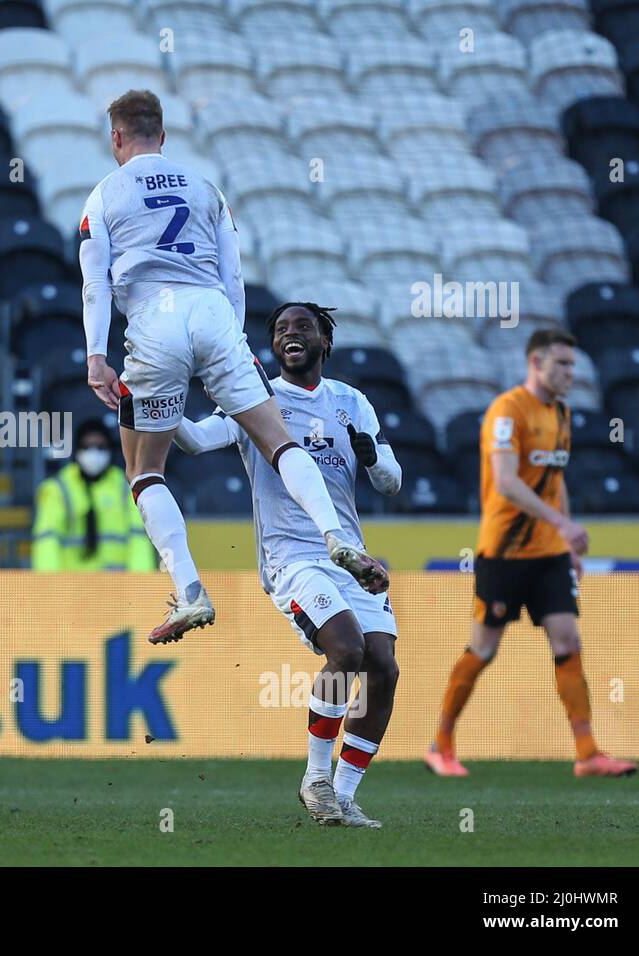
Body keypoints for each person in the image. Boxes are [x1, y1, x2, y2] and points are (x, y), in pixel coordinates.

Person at [78, 88, 387, 644]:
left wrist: (97, 356)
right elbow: (234, 274)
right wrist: (237, 343)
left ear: (116, 137)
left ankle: (190, 590)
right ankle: (337, 537)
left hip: (154, 318)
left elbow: (94, 283)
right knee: (279, 441)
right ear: (164, 137)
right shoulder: (206, 189)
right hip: (214, 313)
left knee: (145, 472)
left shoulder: (102, 196)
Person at [175, 303, 402, 827]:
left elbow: (391, 481)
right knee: (347, 649)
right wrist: (148, 396)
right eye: (280, 330)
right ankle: (315, 779)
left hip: (350, 556)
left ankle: (344, 795)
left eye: (303, 327)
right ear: (273, 346)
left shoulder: (352, 402)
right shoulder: (255, 401)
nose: (290, 334)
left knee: (383, 668)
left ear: (325, 342)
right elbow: (192, 440)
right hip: (292, 557)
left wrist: (371, 456)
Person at [424, 328, 637, 779]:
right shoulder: (507, 410)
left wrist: (565, 539)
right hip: (503, 551)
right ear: (536, 363)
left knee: (568, 640)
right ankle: (440, 744)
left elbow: (554, 483)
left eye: (573, 366)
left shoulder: (561, 413)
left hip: (549, 556)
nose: (570, 374)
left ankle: (588, 753)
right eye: (562, 364)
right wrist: (562, 524)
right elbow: (506, 482)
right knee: (484, 647)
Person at [32, 418, 156, 572]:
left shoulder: (126, 487)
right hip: (72, 589)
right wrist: (50, 589)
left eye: (100, 447)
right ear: (76, 450)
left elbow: (138, 538)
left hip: (118, 588)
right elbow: (47, 541)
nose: (93, 453)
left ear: (110, 450)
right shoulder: (57, 489)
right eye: (86, 447)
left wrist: (140, 587)